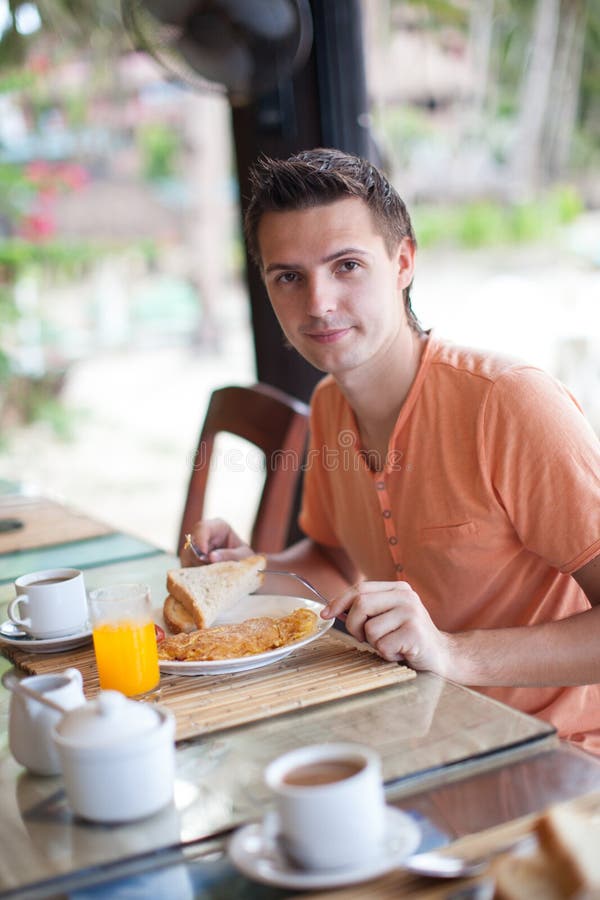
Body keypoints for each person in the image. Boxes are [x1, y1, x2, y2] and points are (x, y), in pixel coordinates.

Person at [183, 148, 600, 754]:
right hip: (418, 732)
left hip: (558, 750)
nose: (318, 303)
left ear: (402, 261)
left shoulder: (507, 403)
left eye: (346, 266)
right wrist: (249, 572)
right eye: (288, 276)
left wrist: (452, 653)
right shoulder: (330, 404)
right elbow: (332, 558)